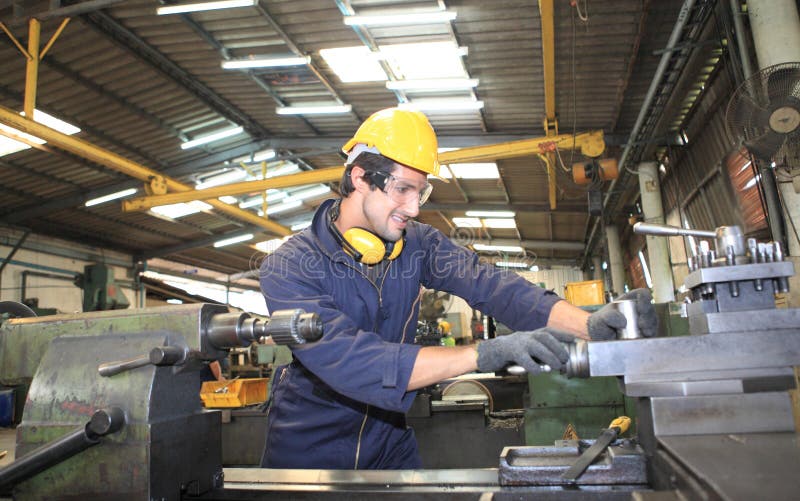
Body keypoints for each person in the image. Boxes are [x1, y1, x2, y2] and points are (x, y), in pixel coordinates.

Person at [258, 107, 657, 470]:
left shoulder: (416, 244)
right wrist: (483, 353)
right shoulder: (289, 266)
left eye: (421, 191)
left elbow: (495, 286)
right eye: (402, 189)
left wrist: (589, 325)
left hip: (389, 441)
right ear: (360, 178)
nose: (414, 208)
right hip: (308, 448)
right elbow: (352, 361)